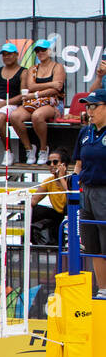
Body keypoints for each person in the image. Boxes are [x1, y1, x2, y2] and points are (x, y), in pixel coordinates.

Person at [71, 88, 106, 299]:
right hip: (87, 192)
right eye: (88, 106)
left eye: (94, 106)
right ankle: (102, 289)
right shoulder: (85, 132)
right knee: (92, 243)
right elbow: (78, 164)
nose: (89, 111)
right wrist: (74, 186)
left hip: (105, 191)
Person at [8, 39, 66, 165]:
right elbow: (31, 86)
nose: (40, 53)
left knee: (37, 116)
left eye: (43, 50)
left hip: (53, 103)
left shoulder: (58, 67)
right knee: (14, 116)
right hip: (33, 102)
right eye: (37, 50)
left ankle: (43, 148)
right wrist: (50, 85)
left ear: (49, 51)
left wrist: (36, 93)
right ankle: (29, 148)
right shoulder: (33, 69)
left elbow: (56, 90)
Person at [29, 150, 69, 245]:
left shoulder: (72, 178)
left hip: (71, 213)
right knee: (35, 210)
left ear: (64, 164)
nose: (51, 165)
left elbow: (72, 196)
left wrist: (61, 178)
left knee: (68, 207)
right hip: (58, 215)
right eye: (49, 163)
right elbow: (34, 201)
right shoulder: (49, 181)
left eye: (55, 162)